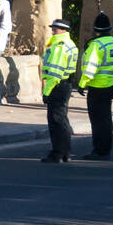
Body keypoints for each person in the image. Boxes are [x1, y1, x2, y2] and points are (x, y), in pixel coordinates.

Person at [78, 12, 113, 160]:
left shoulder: (96, 45)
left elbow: (90, 68)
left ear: (95, 29)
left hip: (97, 87)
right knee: (106, 119)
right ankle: (106, 149)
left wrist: (82, 84)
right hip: (110, 85)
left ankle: (99, 150)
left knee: (97, 121)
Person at [40, 18, 79, 162]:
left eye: (55, 29)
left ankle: (57, 153)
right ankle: (65, 152)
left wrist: (46, 92)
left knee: (56, 121)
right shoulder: (69, 44)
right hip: (65, 85)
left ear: (63, 30)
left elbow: (55, 73)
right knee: (62, 120)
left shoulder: (59, 46)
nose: (52, 31)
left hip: (57, 85)